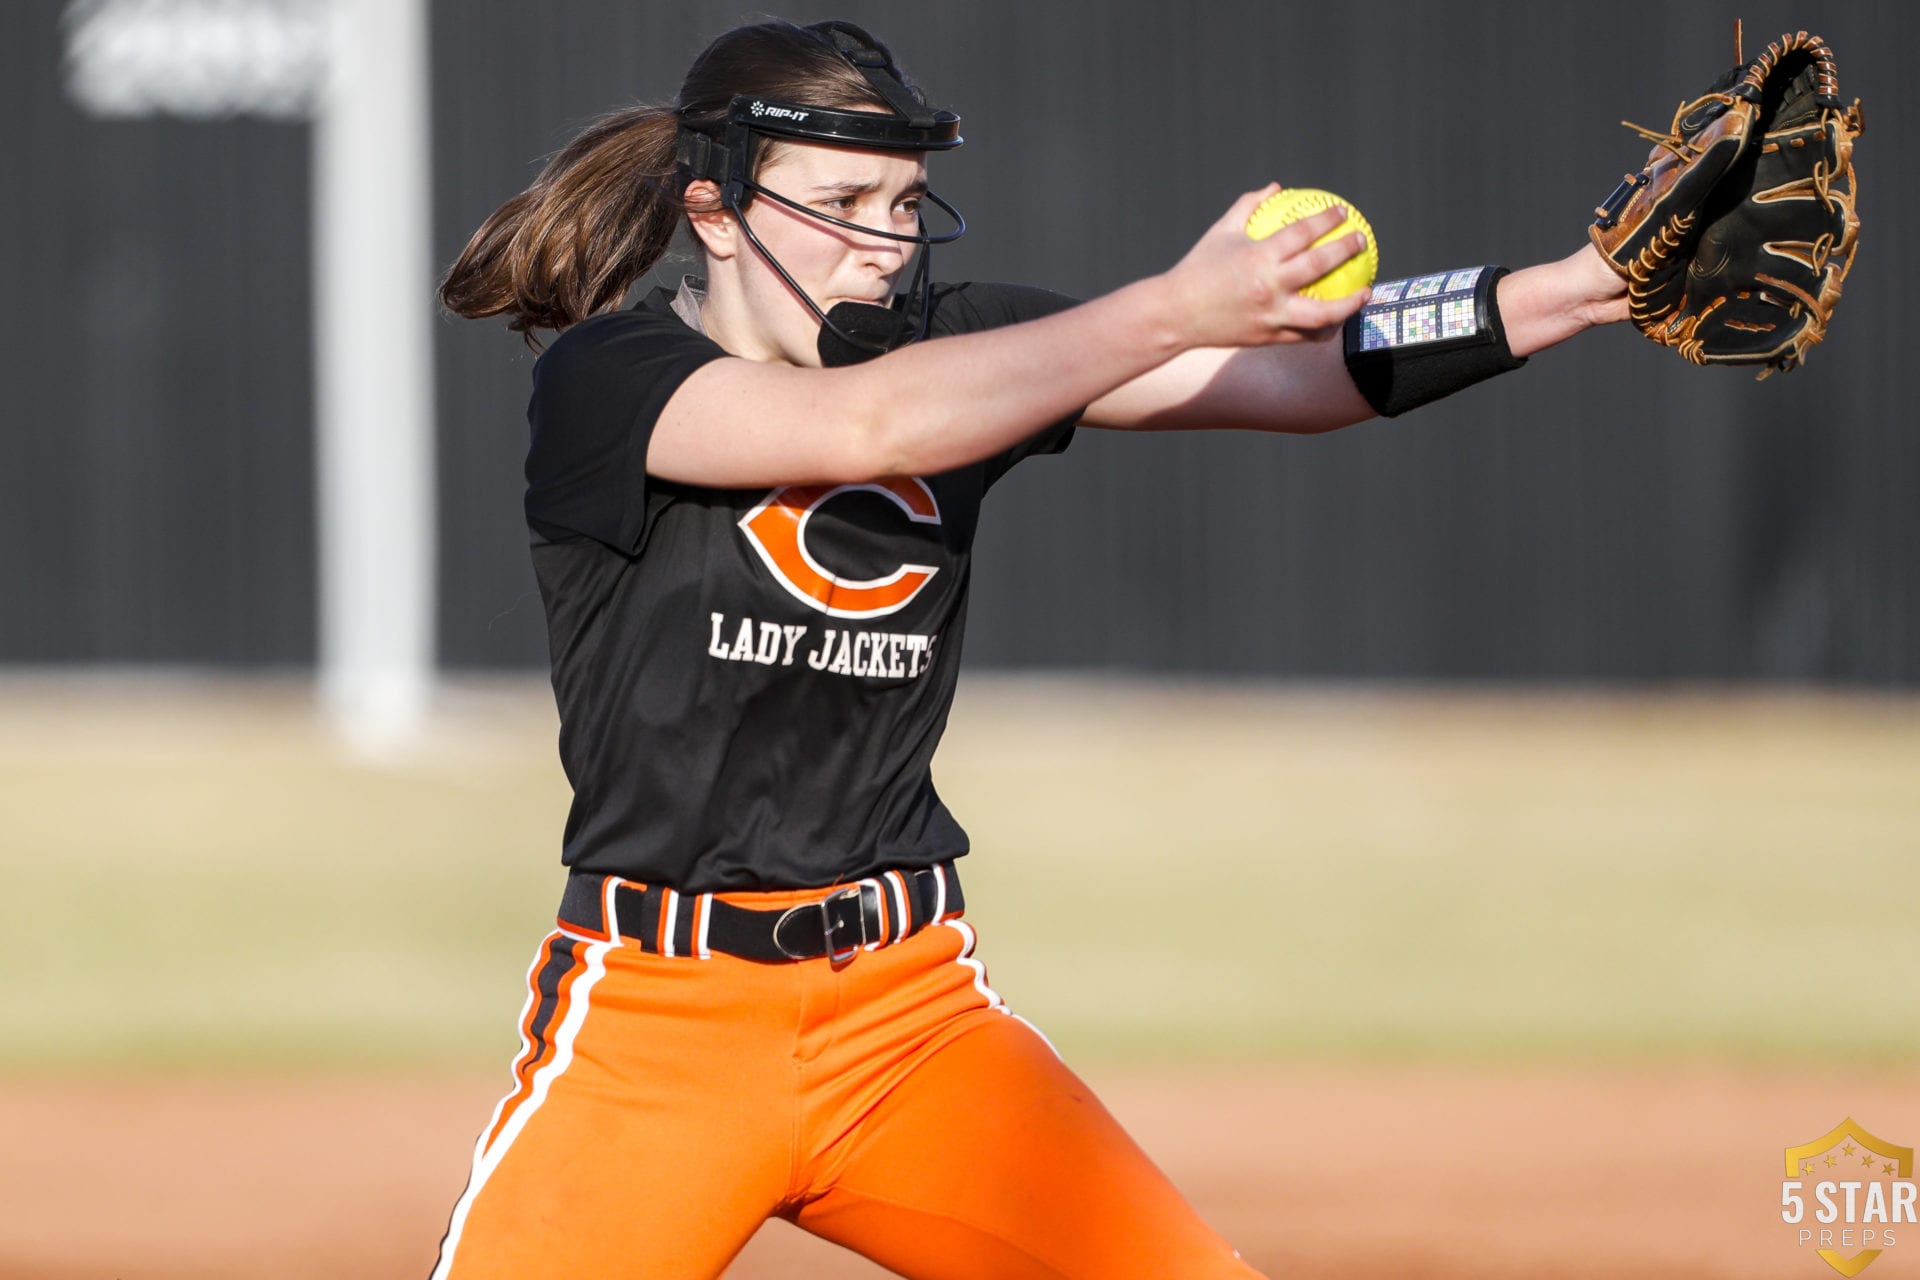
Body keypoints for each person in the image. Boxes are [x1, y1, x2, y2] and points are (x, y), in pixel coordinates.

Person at [430, 17, 1627, 1280]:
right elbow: (864, 426)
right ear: (714, 214)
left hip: (907, 1021)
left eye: (905, 202)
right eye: (841, 201)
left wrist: (1577, 288)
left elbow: (1291, 377)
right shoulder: (610, 376)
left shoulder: (957, 343)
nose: (886, 241)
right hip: (660, 1027)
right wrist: (1170, 305)